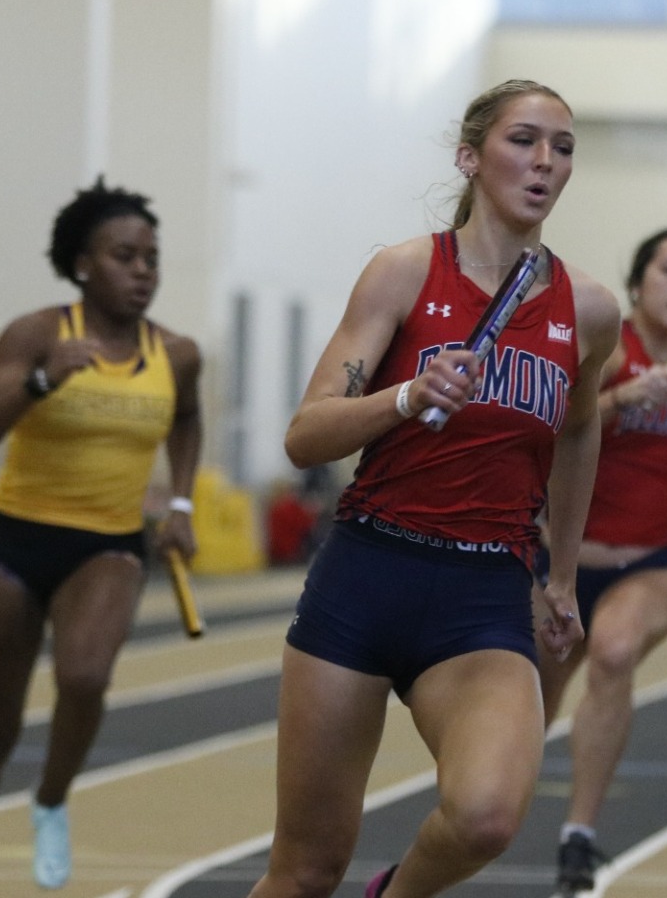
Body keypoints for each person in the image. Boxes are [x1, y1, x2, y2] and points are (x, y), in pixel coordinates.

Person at [245, 80, 618, 898]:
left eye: (563, 147)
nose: (545, 162)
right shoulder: (405, 273)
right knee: (305, 871)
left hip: (485, 594)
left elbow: (581, 426)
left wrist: (560, 575)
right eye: (524, 140)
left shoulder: (587, 308)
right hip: (368, 575)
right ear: (470, 156)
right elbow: (307, 432)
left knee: (487, 815)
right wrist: (407, 396)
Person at [0, 180, 201, 898]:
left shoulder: (175, 354)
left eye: (152, 257)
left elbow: (186, 420)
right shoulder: (35, 334)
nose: (143, 270)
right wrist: (39, 385)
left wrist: (179, 501)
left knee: (84, 677)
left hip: (108, 545)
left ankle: (51, 798)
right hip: (13, 543)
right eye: (125, 256)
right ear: (84, 264)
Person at [535, 227, 667, 895]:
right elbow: (549, 422)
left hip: (650, 562)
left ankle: (578, 835)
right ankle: (487, 809)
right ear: (637, 282)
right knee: (528, 705)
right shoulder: (606, 348)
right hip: (559, 564)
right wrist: (622, 397)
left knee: (615, 652)